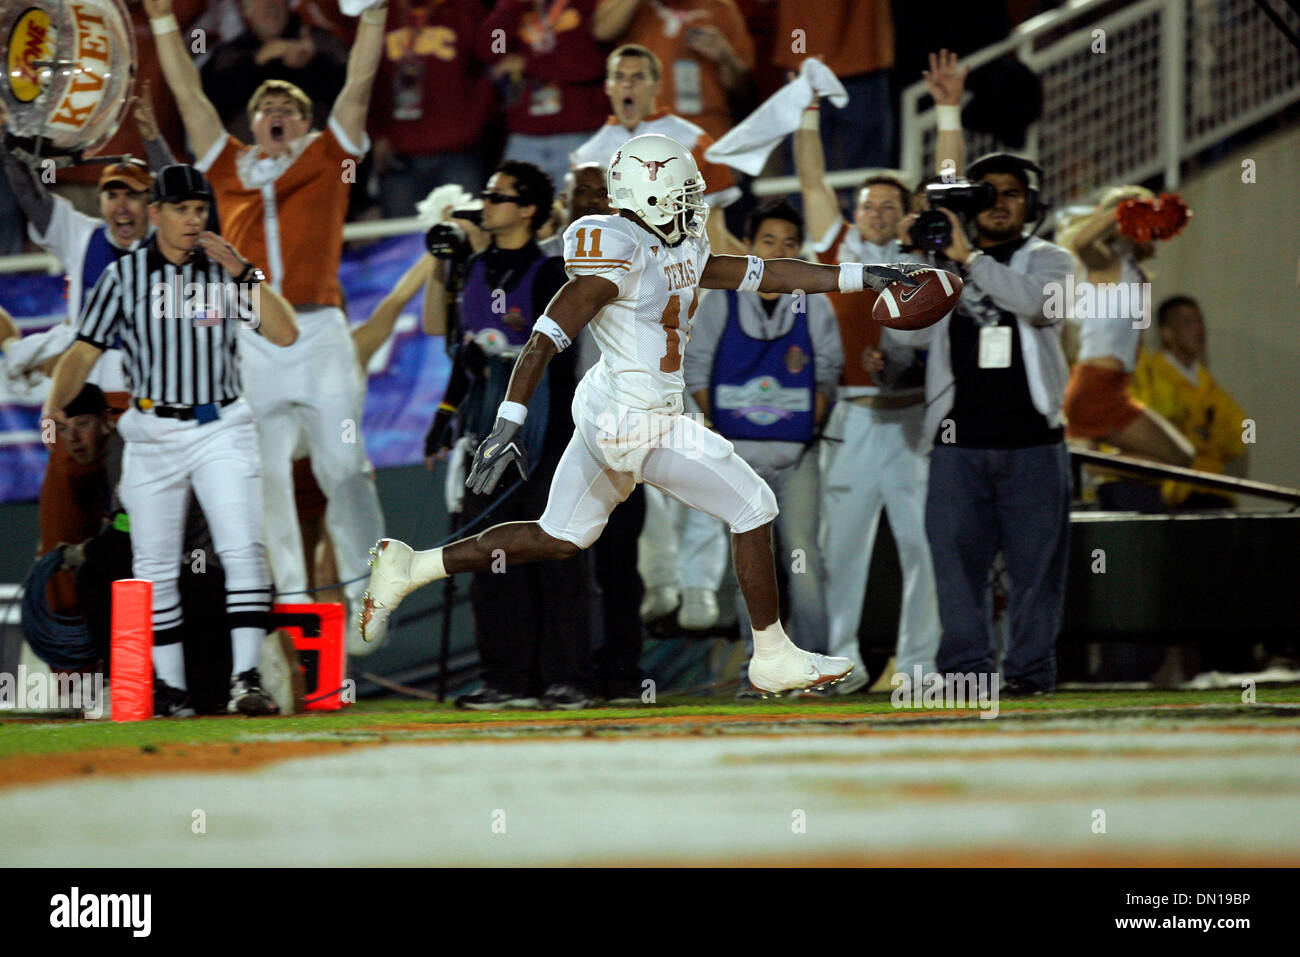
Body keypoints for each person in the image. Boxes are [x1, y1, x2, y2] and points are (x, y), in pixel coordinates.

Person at [361, 133, 923, 696]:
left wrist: (863, 277)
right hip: (634, 418)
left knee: (561, 536)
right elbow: (544, 338)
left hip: (612, 405)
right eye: (683, 192)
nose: (692, 204)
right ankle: (772, 656)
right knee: (755, 505)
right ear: (649, 194)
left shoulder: (680, 243)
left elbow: (764, 274)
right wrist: (509, 421)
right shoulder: (616, 248)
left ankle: (414, 567)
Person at [148, 0, 389, 651]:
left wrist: (373, 16)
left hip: (320, 333)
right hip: (253, 341)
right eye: (265, 110)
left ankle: (371, 586)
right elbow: (187, 92)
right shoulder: (224, 164)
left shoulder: (330, 152)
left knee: (343, 464)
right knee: (269, 482)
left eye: (288, 110)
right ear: (252, 123)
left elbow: (360, 82)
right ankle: (291, 604)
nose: (276, 116)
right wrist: (162, 20)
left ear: (308, 124)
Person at [40, 163, 300, 716]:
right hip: (153, 430)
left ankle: (246, 679)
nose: (193, 219)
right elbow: (84, 351)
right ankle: (173, 690)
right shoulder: (124, 276)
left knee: (241, 549)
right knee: (153, 565)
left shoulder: (225, 271)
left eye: (200, 209)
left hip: (221, 425)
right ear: (155, 214)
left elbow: (285, 333)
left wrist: (247, 272)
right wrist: (53, 409)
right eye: (181, 209)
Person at [894, 152, 1074, 697]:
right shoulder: (942, 262)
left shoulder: (1053, 259)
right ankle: (967, 674)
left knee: (1035, 573)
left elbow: (1040, 306)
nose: (999, 203)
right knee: (955, 572)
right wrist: (909, 256)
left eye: (1012, 193)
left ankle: (1028, 674)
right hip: (957, 443)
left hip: (1034, 442)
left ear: (1032, 204)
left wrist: (968, 257)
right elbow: (905, 335)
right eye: (987, 193)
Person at [424, 161, 592, 710]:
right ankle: (505, 680)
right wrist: (443, 420)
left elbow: (559, 360)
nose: (487, 204)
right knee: (489, 555)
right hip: (484, 433)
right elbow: (457, 350)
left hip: (544, 434)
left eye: (499, 196)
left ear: (528, 211)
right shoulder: (471, 269)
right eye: (487, 194)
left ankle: (563, 678)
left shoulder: (549, 273)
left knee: (553, 553)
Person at [795, 89, 940, 694]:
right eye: (869, 204)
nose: (877, 212)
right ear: (855, 211)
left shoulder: (925, 257)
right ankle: (842, 661)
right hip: (852, 419)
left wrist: (949, 115)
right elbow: (810, 180)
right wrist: (805, 111)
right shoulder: (836, 250)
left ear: (909, 213)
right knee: (842, 552)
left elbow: (948, 187)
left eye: (889, 205)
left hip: (912, 421)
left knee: (925, 549)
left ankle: (919, 665)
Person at [683, 198, 843, 693]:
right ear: (750, 247)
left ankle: (812, 666)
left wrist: (799, 433)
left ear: (801, 251)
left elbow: (829, 373)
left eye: (790, 244)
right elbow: (696, 370)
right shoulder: (721, 299)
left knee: (804, 559)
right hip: (738, 458)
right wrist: (730, 432)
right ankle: (761, 666)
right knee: (748, 565)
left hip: (797, 458)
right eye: (768, 241)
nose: (779, 250)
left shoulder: (810, 301)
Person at [541, 163, 649, 703]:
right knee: (564, 557)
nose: (586, 200)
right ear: (563, 201)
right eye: (577, 191)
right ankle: (570, 673)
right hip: (560, 435)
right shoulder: (545, 265)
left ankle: (624, 675)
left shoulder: (642, 256)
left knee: (617, 560)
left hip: (627, 426)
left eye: (597, 193)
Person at [1058, 187, 1194, 467]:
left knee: (1177, 460)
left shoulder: (1130, 268)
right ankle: (1093, 470)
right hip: (1096, 388)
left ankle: (1093, 470)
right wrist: (1123, 212)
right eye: (1150, 225)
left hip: (1112, 388)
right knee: (1180, 459)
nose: (1157, 237)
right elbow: (1082, 241)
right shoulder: (1108, 260)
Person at [571, 44, 745, 254]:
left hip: (679, 273)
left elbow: (712, 232)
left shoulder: (693, 143)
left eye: (638, 77)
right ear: (608, 86)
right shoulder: (586, 156)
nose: (627, 84)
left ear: (657, 86)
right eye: (619, 77)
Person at [369, 0, 495, 217]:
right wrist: (375, 134)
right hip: (398, 156)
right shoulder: (375, 12)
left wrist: (473, 127)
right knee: (400, 244)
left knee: (468, 239)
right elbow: (362, 81)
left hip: (460, 153)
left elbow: (493, 60)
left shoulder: (467, 8)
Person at [1132, 296, 1249, 509]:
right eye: (1187, 322)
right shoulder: (1152, 377)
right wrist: (1203, 436)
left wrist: (1196, 434)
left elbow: (1241, 436)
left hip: (1215, 491)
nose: (1198, 329)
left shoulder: (1209, 387)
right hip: (1171, 493)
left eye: (1199, 321)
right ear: (1166, 332)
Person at [482, 0, 609, 193]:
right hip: (525, 137)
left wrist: (528, 64)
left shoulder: (585, 5)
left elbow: (588, 65)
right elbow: (492, 51)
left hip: (579, 134)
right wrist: (509, 8)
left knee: (579, 218)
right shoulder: (517, 10)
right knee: (514, 214)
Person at [591, 0, 754, 142]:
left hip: (708, 130)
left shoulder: (720, 7)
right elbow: (602, 31)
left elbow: (742, 88)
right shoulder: (633, 8)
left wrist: (725, 57)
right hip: (646, 130)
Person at [200, 0, 350, 143]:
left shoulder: (321, 43)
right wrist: (257, 62)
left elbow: (354, 97)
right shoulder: (228, 55)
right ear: (245, 9)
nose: (269, 4)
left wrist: (313, 65)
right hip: (248, 161)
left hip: (317, 159)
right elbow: (207, 108)